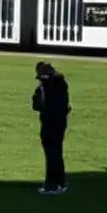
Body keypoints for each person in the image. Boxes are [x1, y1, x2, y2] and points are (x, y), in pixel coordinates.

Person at [31, 61, 71, 195]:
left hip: (50, 122)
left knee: (51, 154)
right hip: (60, 122)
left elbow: (37, 104)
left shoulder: (46, 86)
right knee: (57, 153)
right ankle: (60, 182)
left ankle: (51, 185)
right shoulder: (62, 83)